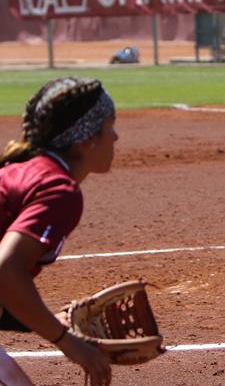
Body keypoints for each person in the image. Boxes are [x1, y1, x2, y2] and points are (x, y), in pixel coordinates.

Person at [0, 77, 116, 386]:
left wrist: (51, 322)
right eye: (109, 127)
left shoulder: (25, 171)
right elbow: (6, 269)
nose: (115, 137)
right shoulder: (58, 189)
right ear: (86, 139)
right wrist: (66, 340)